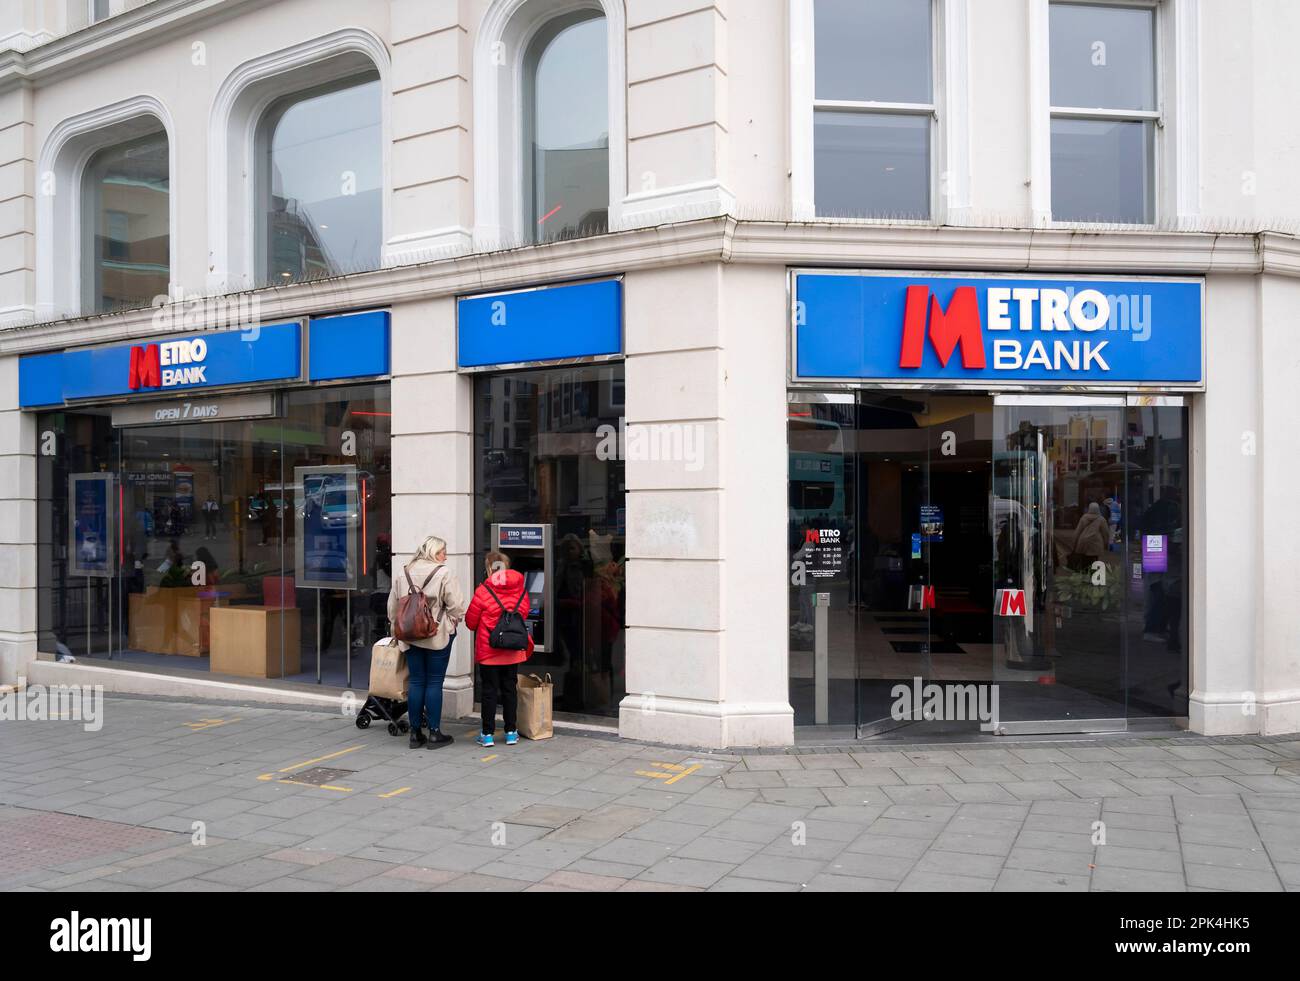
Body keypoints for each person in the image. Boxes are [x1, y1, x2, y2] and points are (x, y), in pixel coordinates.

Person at [387, 535, 466, 750]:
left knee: (416, 681)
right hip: (436, 634)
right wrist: (450, 622)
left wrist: (397, 626)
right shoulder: (444, 572)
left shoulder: (404, 571)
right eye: (443, 552)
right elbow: (457, 605)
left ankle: (414, 734)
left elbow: (392, 606)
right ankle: (434, 733)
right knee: (434, 682)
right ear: (434, 552)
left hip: (409, 636)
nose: (445, 556)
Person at [464, 551, 534, 747]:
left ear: (489, 569)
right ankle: (511, 732)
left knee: (489, 691)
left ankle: (487, 735)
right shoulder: (521, 590)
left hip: (489, 651)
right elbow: (524, 612)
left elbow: (470, 622)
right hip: (512, 651)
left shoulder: (483, 591)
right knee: (509, 690)